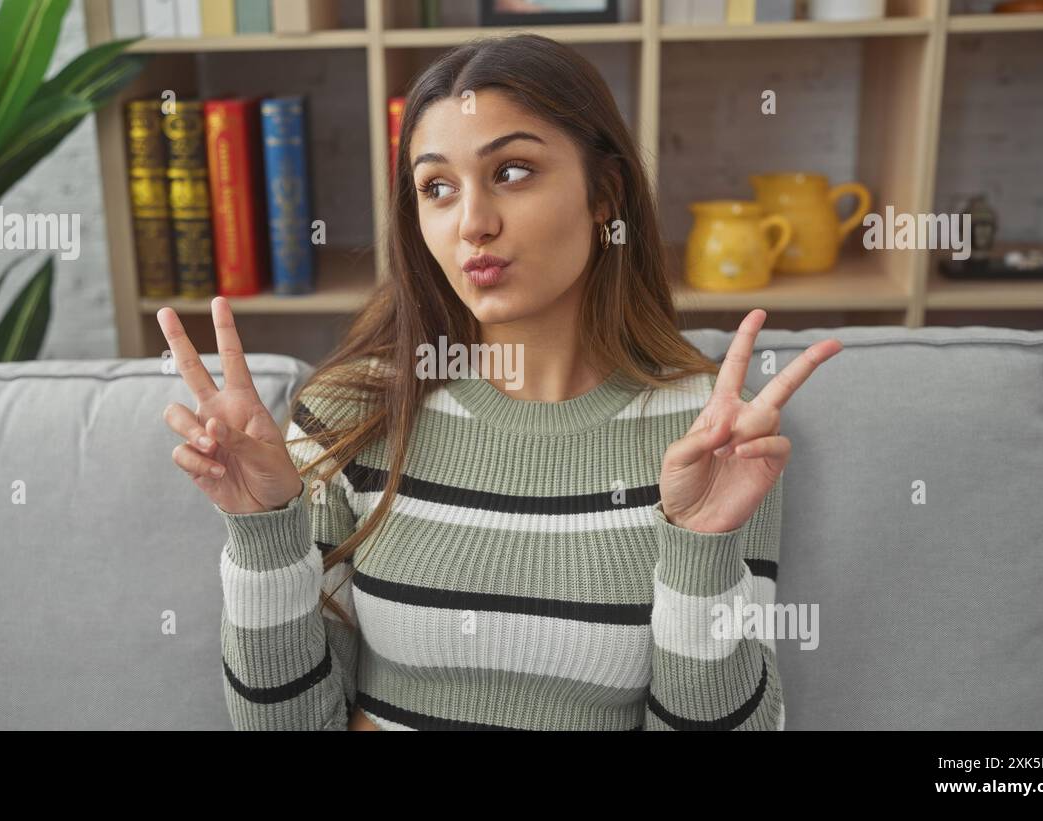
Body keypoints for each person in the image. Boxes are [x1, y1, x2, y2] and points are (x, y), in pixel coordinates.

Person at [157, 33, 842, 730]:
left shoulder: (713, 433)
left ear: (605, 194)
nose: (472, 224)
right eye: (437, 188)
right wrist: (263, 535)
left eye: (512, 172)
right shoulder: (349, 412)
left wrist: (701, 550)